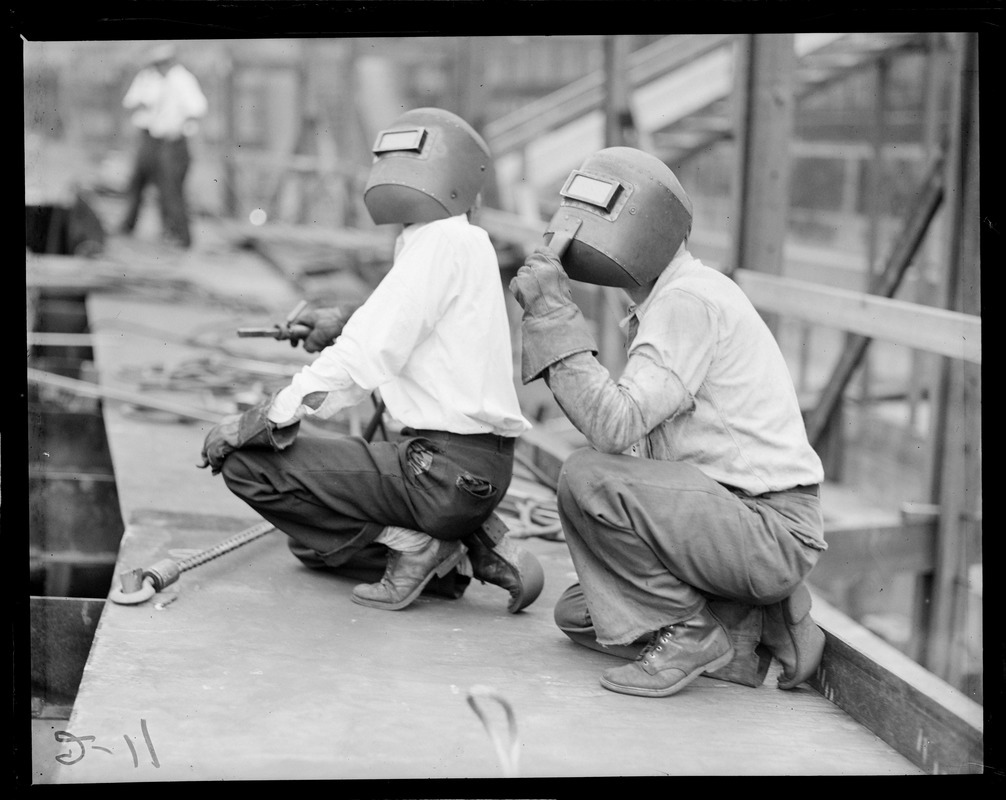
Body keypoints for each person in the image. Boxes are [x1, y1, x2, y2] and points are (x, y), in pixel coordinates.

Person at [508, 146, 828, 697]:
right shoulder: (668, 300)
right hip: (730, 520)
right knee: (582, 613)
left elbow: (612, 427)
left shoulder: (687, 302)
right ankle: (747, 628)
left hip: (766, 528)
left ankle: (694, 631)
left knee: (586, 475)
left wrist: (552, 315)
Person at [199, 107, 544, 614]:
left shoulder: (439, 241)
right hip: (478, 470)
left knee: (249, 468)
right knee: (311, 548)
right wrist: (344, 318)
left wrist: (261, 421)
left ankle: (421, 545)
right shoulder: (463, 241)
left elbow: (363, 357)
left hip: (437, 472)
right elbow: (412, 322)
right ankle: (466, 551)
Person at [119, 43, 207, 248]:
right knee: (141, 183)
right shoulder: (148, 78)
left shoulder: (182, 80)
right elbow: (130, 101)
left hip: (173, 141)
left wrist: (179, 126)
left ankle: (181, 236)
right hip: (151, 138)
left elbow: (197, 109)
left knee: (171, 190)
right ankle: (143, 227)